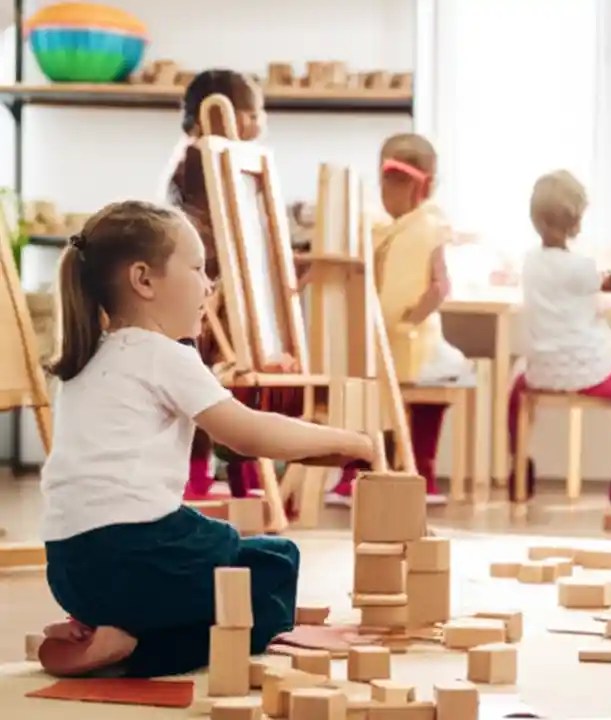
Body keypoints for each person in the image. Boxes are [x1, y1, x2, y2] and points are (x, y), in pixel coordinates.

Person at [37, 201, 374, 679]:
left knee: (210, 540)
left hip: (70, 570)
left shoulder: (85, 360)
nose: (208, 284)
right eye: (197, 268)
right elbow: (248, 433)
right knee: (273, 565)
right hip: (135, 557)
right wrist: (352, 441)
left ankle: (104, 627)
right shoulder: (161, 354)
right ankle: (139, 647)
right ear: (144, 280)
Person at [510, 170, 611, 506]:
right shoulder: (580, 267)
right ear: (577, 221)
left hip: (542, 370)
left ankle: (519, 464)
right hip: (587, 370)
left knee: (514, 383)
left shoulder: (530, 263)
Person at [328, 133, 472, 505]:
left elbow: (437, 286)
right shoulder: (402, 229)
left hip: (394, 343)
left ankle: (385, 470)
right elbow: (435, 287)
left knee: (385, 390)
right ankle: (393, 469)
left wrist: (404, 320)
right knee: (382, 386)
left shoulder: (401, 228)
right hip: (395, 342)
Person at [164, 69, 273, 502]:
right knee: (209, 386)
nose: (260, 122)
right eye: (255, 112)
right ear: (223, 116)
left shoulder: (219, 159)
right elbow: (212, 230)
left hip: (218, 287)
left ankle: (238, 478)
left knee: (227, 387)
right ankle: (197, 478)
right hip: (204, 291)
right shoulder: (202, 158)